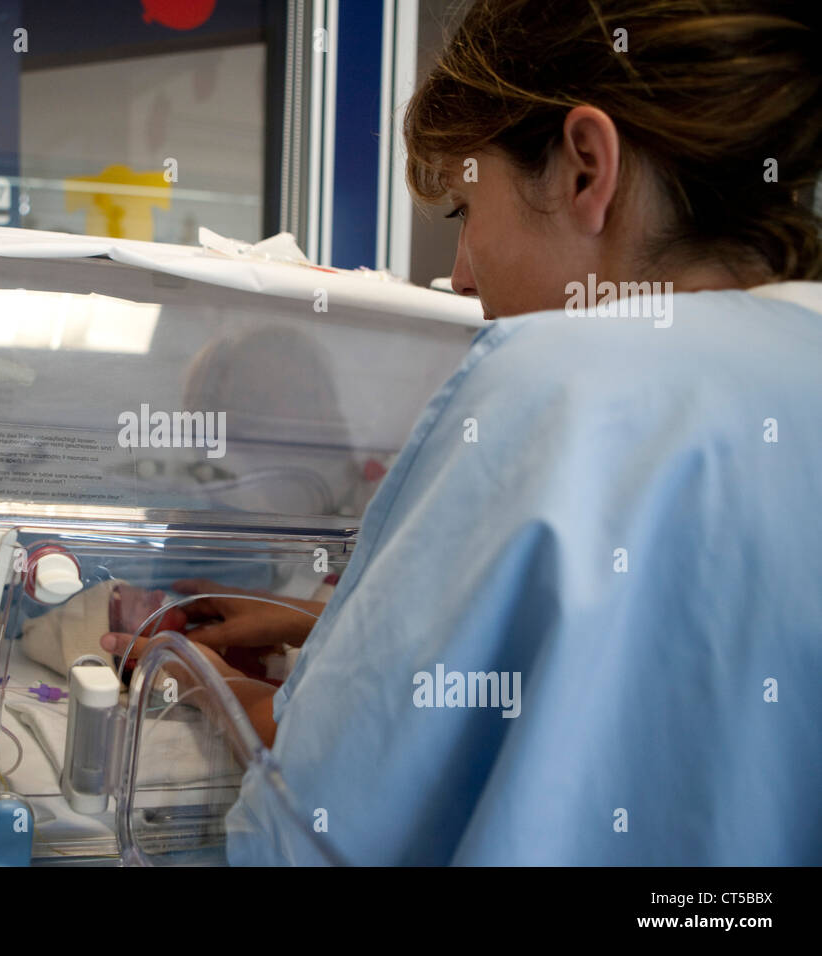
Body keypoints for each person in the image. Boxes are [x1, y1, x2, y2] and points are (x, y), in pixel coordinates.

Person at [100, 0, 822, 864]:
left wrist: (202, 683)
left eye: (465, 212)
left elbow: (316, 825)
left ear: (586, 169)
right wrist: (310, 620)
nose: (461, 272)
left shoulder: (553, 384)